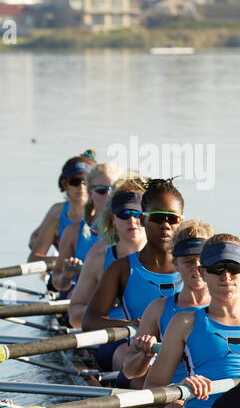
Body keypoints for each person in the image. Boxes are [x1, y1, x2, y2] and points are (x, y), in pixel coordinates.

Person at [143, 233, 240, 408]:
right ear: (203, 273)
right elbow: (150, 394)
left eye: (233, 267)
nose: (226, 276)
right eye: (217, 268)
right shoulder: (185, 322)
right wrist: (180, 388)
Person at [83, 178, 185, 375]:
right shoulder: (120, 269)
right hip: (138, 364)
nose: (165, 225)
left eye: (172, 219)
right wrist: (129, 325)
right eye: (157, 218)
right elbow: (90, 321)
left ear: (181, 221)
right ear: (144, 220)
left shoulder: (195, 268)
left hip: (186, 364)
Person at [119, 220, 213, 408]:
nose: (197, 268)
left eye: (202, 261)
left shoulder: (233, 310)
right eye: (188, 261)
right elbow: (129, 370)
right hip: (169, 402)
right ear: (175, 264)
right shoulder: (158, 309)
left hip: (215, 394)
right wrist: (144, 354)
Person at [66, 177, 147, 332]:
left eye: (138, 213)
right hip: (114, 338)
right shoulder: (98, 261)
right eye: (124, 214)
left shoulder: (171, 261)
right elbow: (74, 317)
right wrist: (103, 304)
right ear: (113, 219)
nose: (132, 220)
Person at [49, 161, 122, 294]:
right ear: (89, 191)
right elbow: (57, 282)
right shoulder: (73, 232)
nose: (109, 196)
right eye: (101, 190)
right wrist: (66, 277)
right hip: (83, 304)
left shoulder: (131, 231)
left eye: (114, 190)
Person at [27, 152, 96, 259]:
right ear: (65, 184)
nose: (81, 186)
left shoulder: (106, 215)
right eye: (75, 182)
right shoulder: (57, 215)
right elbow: (33, 246)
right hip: (67, 271)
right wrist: (61, 259)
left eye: (86, 181)